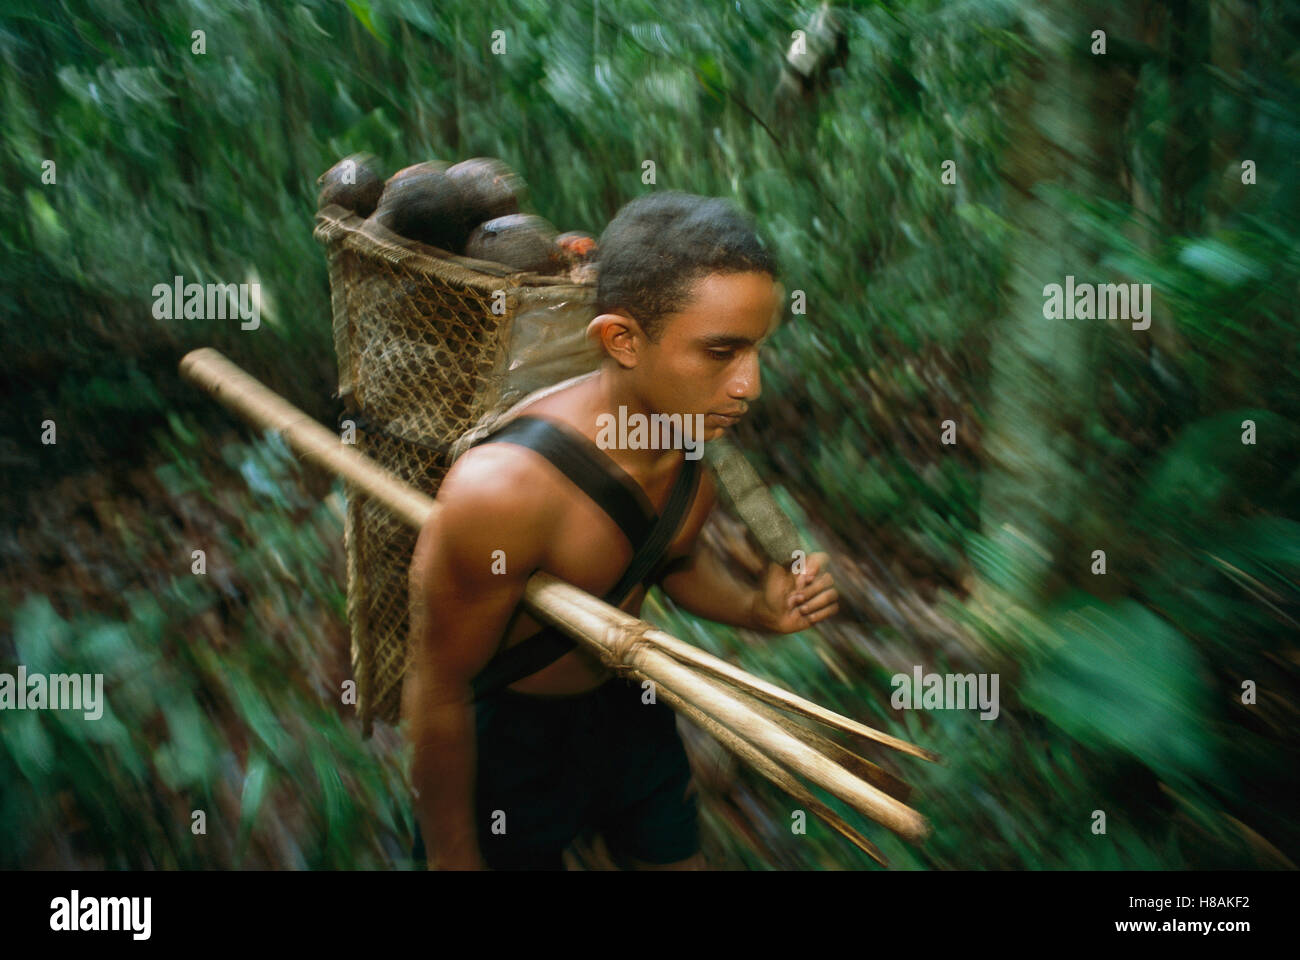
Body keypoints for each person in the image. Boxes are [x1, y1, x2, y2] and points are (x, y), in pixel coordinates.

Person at [403, 191, 838, 870]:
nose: (750, 385)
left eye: (755, 350)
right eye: (721, 352)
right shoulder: (505, 493)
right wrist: (451, 853)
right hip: (511, 752)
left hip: (629, 707)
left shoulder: (691, 442)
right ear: (621, 340)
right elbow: (439, 685)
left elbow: (670, 561)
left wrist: (757, 606)